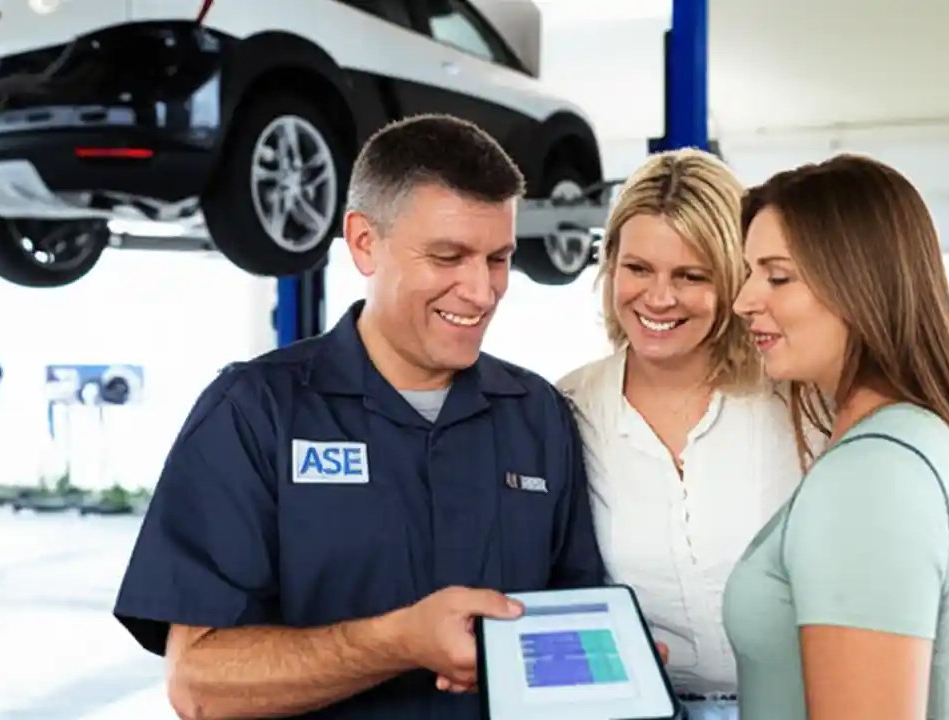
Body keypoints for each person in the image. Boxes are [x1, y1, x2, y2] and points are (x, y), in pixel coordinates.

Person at [111, 114, 605, 720]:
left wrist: (615, 667)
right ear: (364, 242)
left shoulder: (537, 418)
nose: (481, 291)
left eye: (497, 259)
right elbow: (199, 684)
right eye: (448, 256)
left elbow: (573, 626)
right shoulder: (255, 414)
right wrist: (396, 642)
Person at [722, 154, 949, 720]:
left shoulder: (872, 479)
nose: (744, 301)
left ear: (860, 285)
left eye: (778, 276)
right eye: (749, 272)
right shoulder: (915, 440)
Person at [558, 148, 806, 720]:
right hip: (641, 708)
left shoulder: (795, 398)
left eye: (690, 276)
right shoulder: (568, 407)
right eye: (638, 269)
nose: (659, 298)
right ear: (609, 264)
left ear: (733, 279)